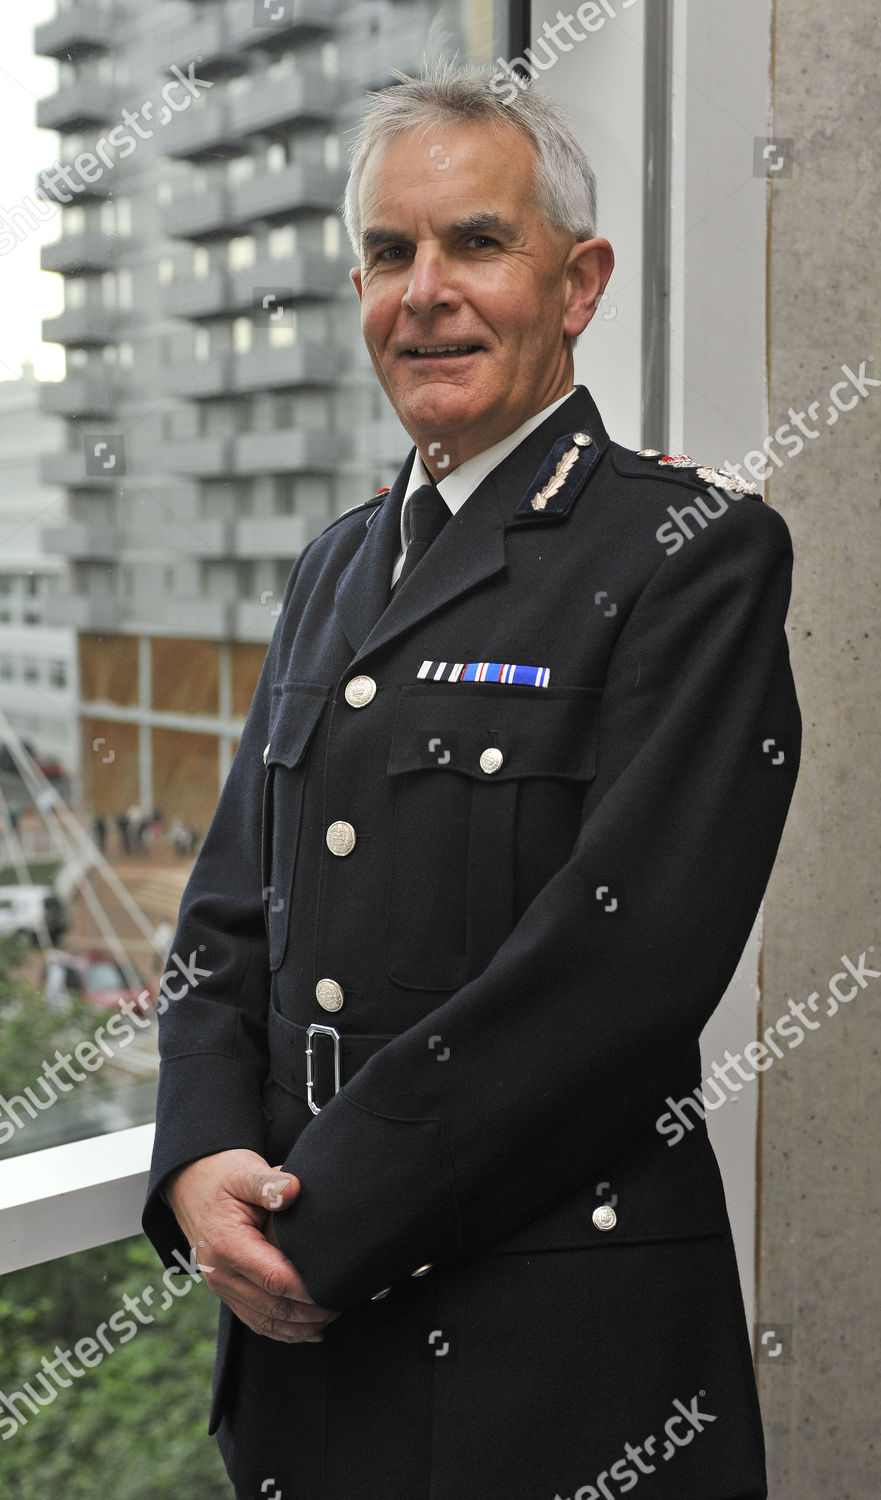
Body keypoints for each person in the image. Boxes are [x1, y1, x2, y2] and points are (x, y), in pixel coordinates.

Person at [143, 61, 800, 1500]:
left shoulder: (689, 555)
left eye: (475, 244)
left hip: (548, 1368)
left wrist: (317, 1233)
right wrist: (196, 1169)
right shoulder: (334, 562)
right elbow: (224, 927)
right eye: (390, 253)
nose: (423, 291)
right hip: (305, 1369)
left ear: (578, 284)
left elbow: (612, 977)